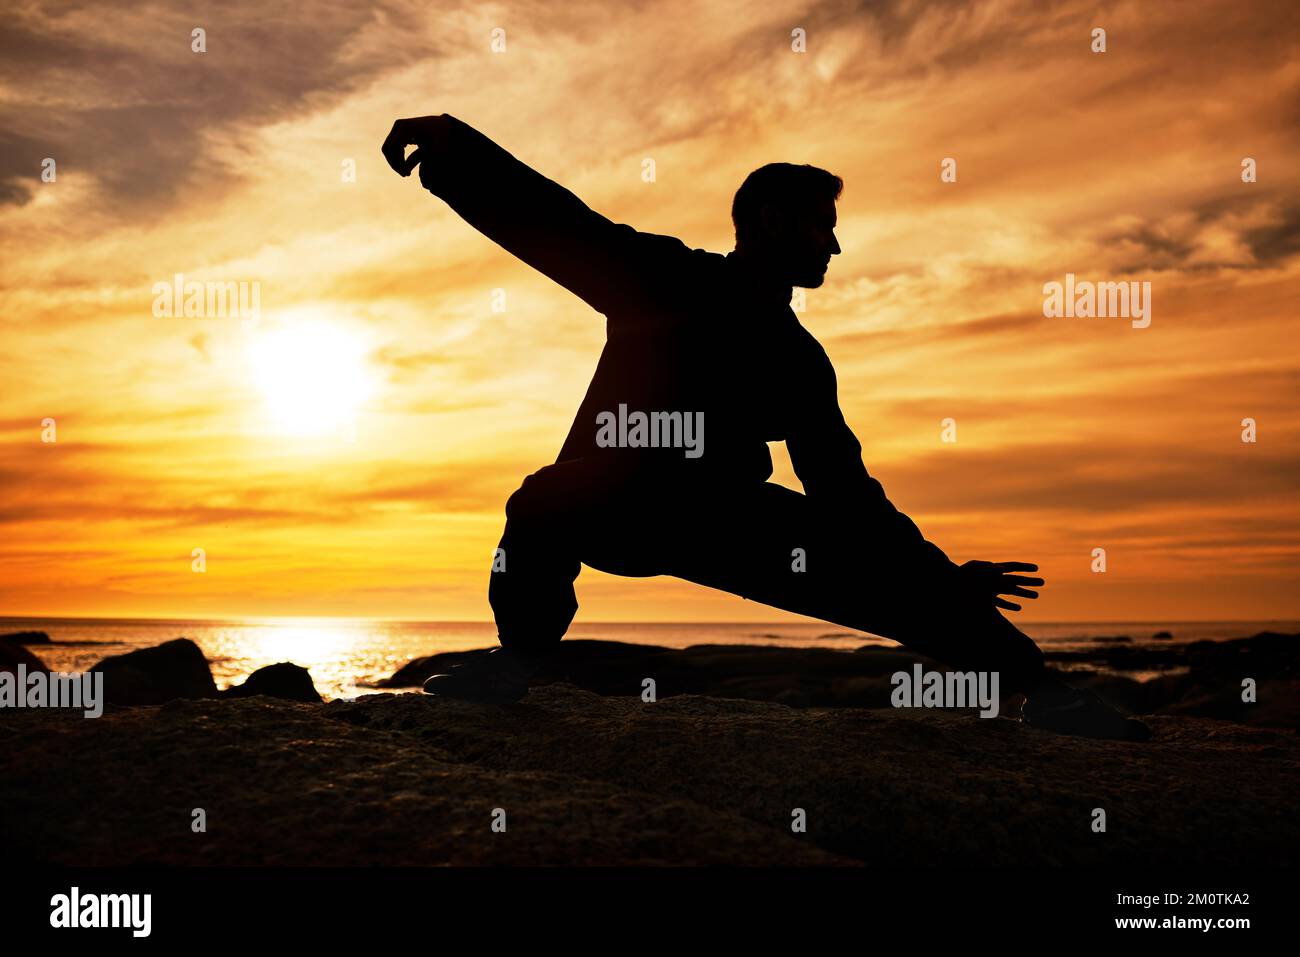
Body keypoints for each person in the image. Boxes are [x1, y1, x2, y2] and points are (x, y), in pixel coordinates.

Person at [382, 114, 1151, 741]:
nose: (836, 245)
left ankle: (1044, 690)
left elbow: (848, 496)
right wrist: (455, 148)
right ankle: (514, 661)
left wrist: (941, 576)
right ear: (772, 221)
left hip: (721, 519)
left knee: (878, 566)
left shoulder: (798, 358)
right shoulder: (663, 278)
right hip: (613, 504)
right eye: (823, 226)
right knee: (542, 496)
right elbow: (559, 225)